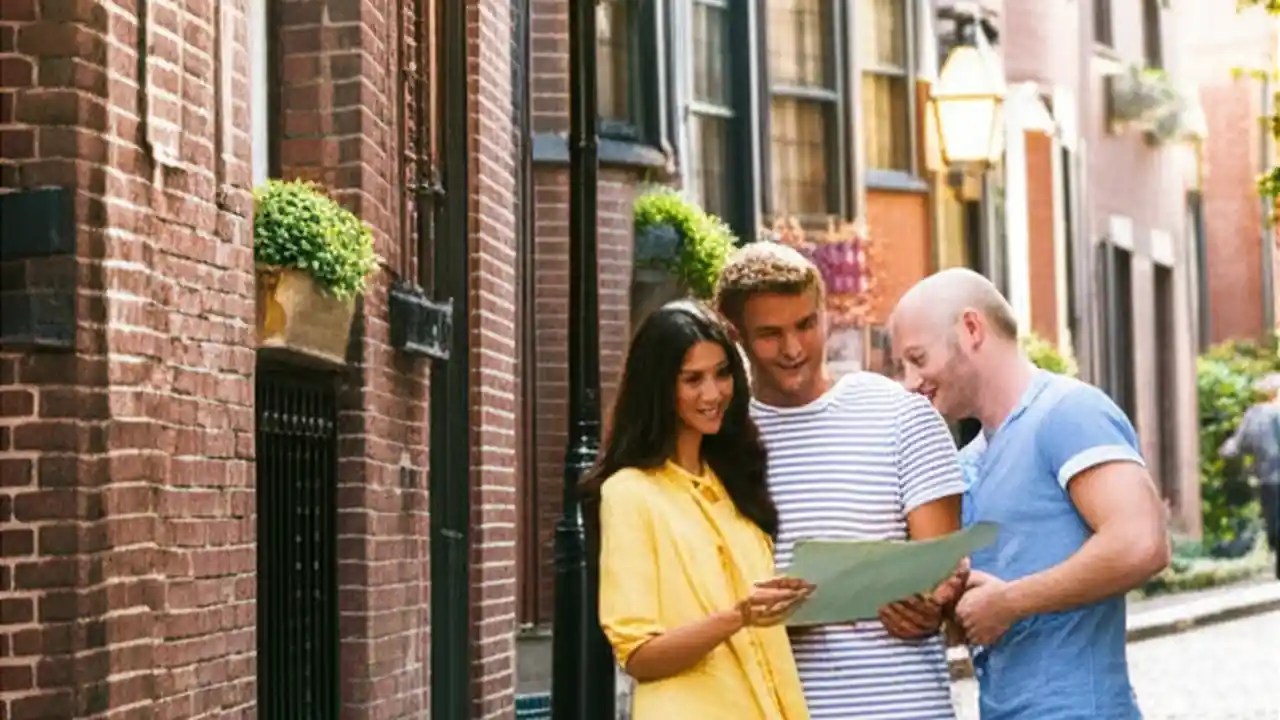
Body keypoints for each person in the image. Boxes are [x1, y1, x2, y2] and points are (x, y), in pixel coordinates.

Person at [888, 268, 1171, 719]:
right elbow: (994, 601)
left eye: (918, 359)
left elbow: (1143, 542)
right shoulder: (966, 461)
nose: (909, 381)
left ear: (972, 329)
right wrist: (940, 612)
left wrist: (1011, 602)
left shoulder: (1069, 412)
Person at [714, 243, 967, 720]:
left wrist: (935, 602)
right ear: (734, 336)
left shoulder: (902, 417)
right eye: (769, 334)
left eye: (806, 325)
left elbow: (945, 568)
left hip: (903, 707)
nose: (793, 349)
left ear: (826, 314)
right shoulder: (718, 441)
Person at [584, 300, 813, 719]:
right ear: (659, 388)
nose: (713, 394)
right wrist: (738, 617)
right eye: (692, 379)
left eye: (722, 373)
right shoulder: (629, 494)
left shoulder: (732, 485)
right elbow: (638, 655)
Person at [1219, 376, 1280, 556]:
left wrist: (1226, 451)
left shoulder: (1255, 415)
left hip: (1269, 477)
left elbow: (1239, 444)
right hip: (1270, 476)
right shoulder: (1260, 415)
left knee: (1274, 521)